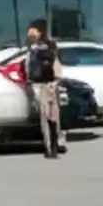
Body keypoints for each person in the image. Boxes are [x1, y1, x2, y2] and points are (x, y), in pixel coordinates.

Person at [25, 18, 65, 159]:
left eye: (32, 29)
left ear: (39, 30)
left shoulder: (48, 46)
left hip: (48, 84)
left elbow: (55, 63)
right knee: (46, 115)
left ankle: (54, 145)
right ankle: (50, 146)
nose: (29, 32)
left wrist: (56, 80)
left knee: (52, 115)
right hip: (38, 84)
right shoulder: (31, 47)